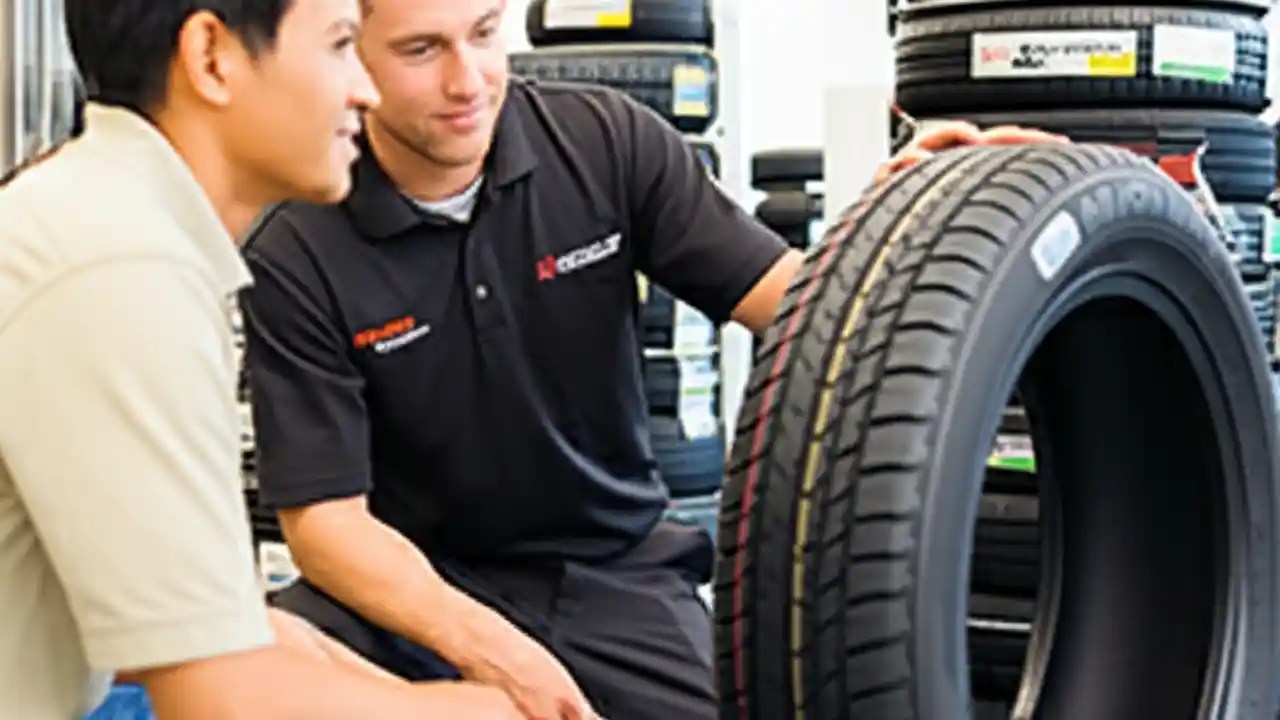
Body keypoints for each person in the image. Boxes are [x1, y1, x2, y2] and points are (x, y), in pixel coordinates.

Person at [238, 1, 1065, 719]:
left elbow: (799, 309)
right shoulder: (298, 245)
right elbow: (327, 525)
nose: (468, 81)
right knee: (253, 682)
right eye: (421, 50)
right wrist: (497, 655)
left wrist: (906, 220)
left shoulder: (605, 142)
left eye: (484, 33)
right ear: (351, 55)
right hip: (415, 590)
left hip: (611, 575)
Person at [0, 0, 521, 718]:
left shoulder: (105, 220)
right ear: (212, 58)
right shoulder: (117, 267)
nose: (364, 90)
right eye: (339, 45)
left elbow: (168, 625)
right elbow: (222, 700)